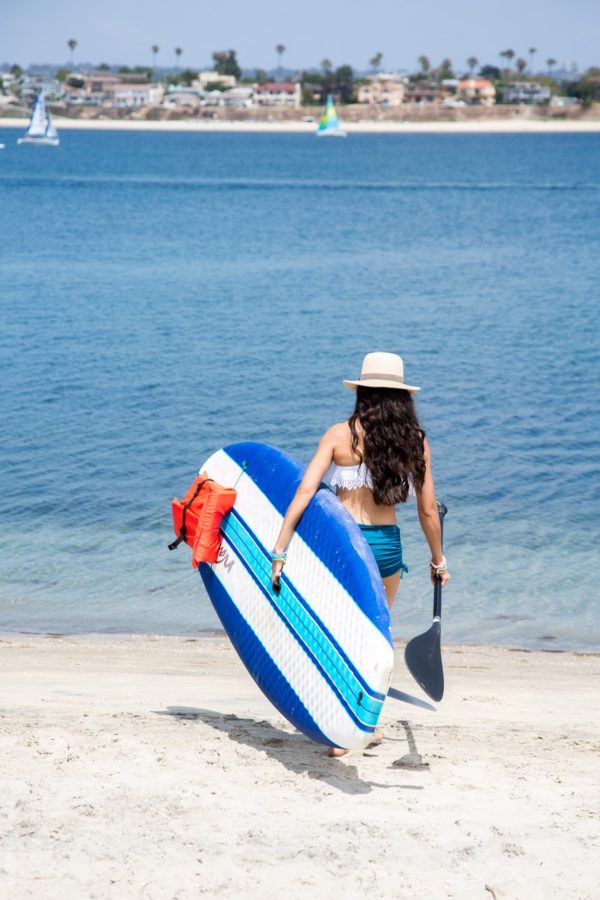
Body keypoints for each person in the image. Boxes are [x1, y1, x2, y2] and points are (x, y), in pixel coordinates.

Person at [270, 351, 450, 756]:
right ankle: (365, 724)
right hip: (386, 548)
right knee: (374, 635)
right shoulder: (415, 442)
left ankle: (339, 728)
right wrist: (438, 559)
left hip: (344, 546)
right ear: (402, 398)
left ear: (362, 393)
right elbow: (427, 510)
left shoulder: (338, 436)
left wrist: (280, 547)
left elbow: (304, 491)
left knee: (338, 632)